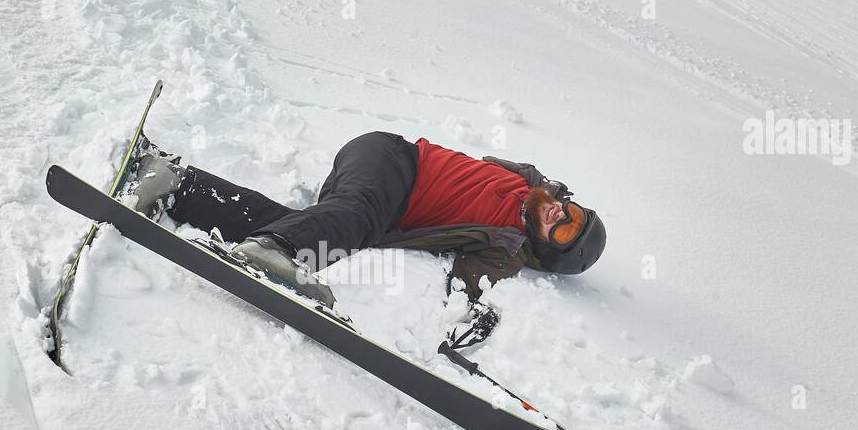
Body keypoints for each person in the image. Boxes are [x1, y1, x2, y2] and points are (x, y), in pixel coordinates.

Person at [127, 131, 605, 306]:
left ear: (545, 247)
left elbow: (469, 279)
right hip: (394, 162)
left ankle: (176, 185)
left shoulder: (510, 244)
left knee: (325, 230)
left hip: (380, 187)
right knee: (353, 219)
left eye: (564, 228)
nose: (561, 212)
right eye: (574, 210)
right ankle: (272, 250)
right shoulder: (527, 181)